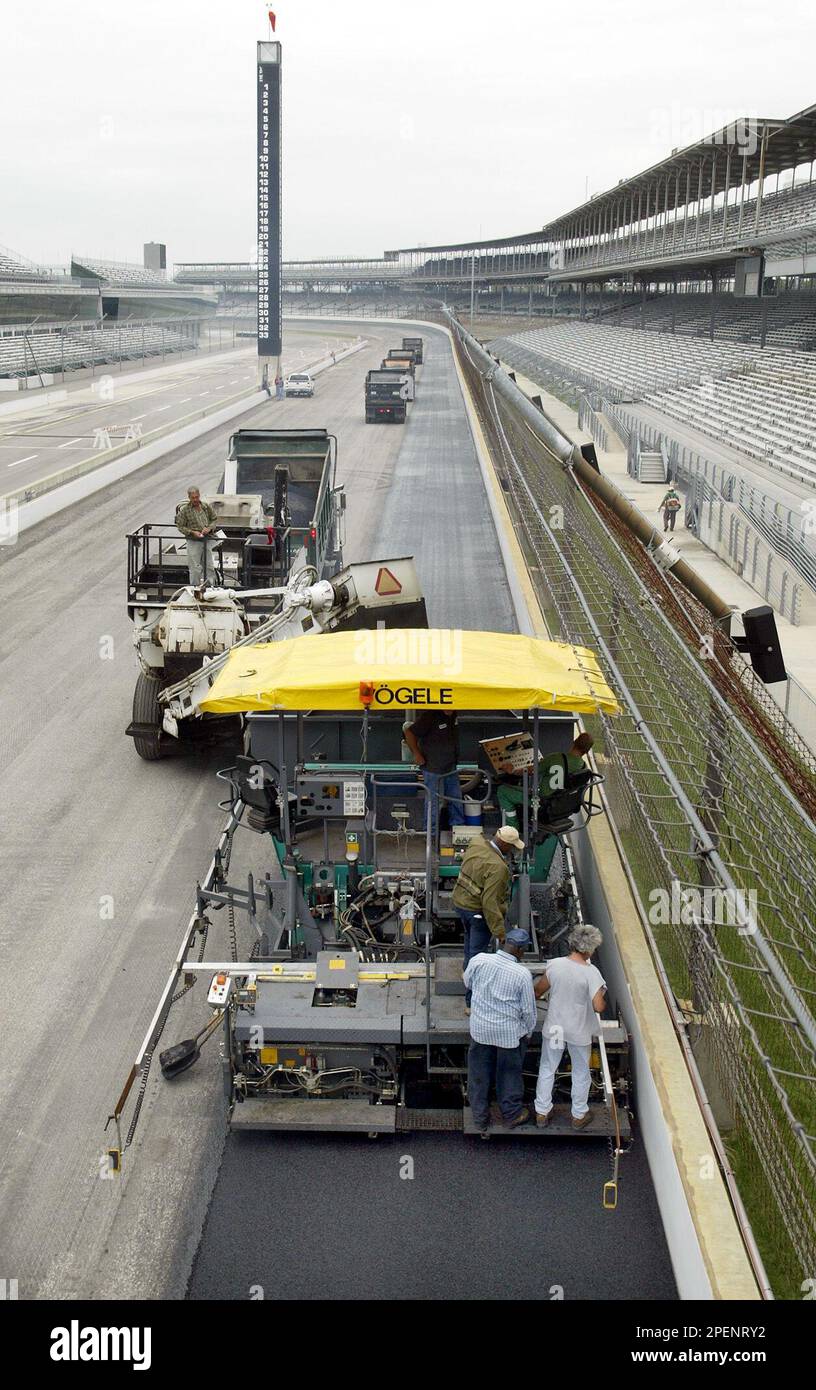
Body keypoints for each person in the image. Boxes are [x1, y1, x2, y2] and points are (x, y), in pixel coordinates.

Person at [464, 926, 537, 1135]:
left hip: (480, 1031)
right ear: (521, 951)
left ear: (503, 943)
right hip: (508, 1036)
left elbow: (468, 981)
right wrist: (529, 1032)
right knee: (509, 1075)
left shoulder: (479, 960)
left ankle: (480, 1119)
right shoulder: (522, 974)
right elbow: (528, 1011)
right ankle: (512, 1115)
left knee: (478, 1075)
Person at [533, 924, 607, 1130]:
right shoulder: (592, 973)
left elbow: (538, 991)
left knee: (548, 1066)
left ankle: (542, 1111)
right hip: (578, 1030)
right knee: (581, 1071)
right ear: (589, 949)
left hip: (556, 1027)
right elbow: (598, 1006)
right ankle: (578, 1115)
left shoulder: (555, 965)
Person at [452, 825, 524, 1008]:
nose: (513, 850)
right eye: (512, 846)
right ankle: (471, 1002)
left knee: (469, 943)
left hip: (461, 903)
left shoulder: (477, 842)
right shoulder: (498, 868)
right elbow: (490, 903)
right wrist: (500, 932)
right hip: (477, 913)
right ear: (505, 844)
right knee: (479, 957)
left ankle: (465, 971)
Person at [497, 732, 594, 829]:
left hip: (543, 803)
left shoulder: (555, 758)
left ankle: (512, 829)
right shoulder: (584, 768)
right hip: (563, 806)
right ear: (587, 750)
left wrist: (512, 770)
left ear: (574, 742)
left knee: (503, 791)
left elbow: (530, 770)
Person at [404, 711, 465, 833]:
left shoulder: (453, 715)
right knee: (433, 802)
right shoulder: (430, 715)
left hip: (450, 766)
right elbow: (409, 732)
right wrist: (416, 754)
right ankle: (430, 833)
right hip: (432, 767)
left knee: (456, 798)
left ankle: (458, 829)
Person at [176, 487, 218, 587]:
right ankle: (195, 588)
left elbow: (214, 519)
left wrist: (209, 528)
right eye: (193, 498)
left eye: (197, 497)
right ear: (189, 497)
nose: (195, 500)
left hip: (206, 540)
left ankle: (211, 587)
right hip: (193, 541)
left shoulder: (206, 507)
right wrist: (192, 532)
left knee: (209, 566)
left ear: (199, 495)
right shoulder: (185, 510)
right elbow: (180, 526)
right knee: (195, 567)